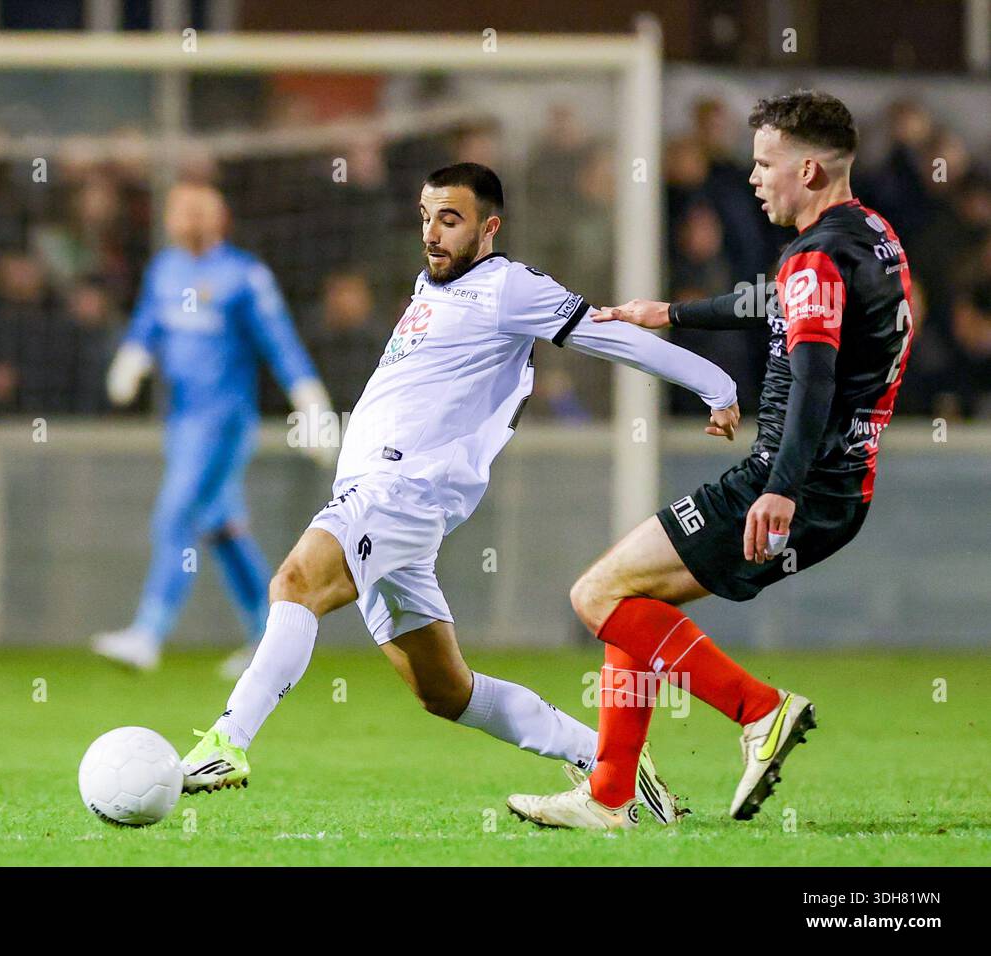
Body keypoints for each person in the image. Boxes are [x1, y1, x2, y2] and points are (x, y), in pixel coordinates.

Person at [178, 163, 742, 827]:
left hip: (401, 491)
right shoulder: (431, 286)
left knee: (296, 582)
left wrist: (716, 384)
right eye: (425, 216)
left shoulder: (509, 286)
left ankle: (227, 743)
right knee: (446, 691)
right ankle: (611, 762)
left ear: (489, 227)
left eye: (450, 219)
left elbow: (604, 333)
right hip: (386, 497)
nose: (432, 232)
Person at [508, 90, 914, 830]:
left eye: (766, 164)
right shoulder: (870, 236)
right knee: (633, 602)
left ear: (811, 169)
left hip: (791, 480)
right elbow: (776, 304)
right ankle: (609, 796)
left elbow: (815, 376)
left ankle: (759, 712)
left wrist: (780, 489)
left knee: (595, 596)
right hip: (841, 483)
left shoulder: (817, 255)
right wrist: (673, 314)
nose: (755, 177)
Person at [93, 181, 333, 677]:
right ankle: (271, 638)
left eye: (201, 210)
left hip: (223, 421)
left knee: (176, 513)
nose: (190, 219)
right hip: (181, 421)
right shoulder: (165, 269)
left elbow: (280, 343)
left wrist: (309, 400)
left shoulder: (244, 274)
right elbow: (147, 324)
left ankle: (148, 632)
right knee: (222, 528)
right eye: (183, 210)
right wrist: (132, 357)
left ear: (219, 217)